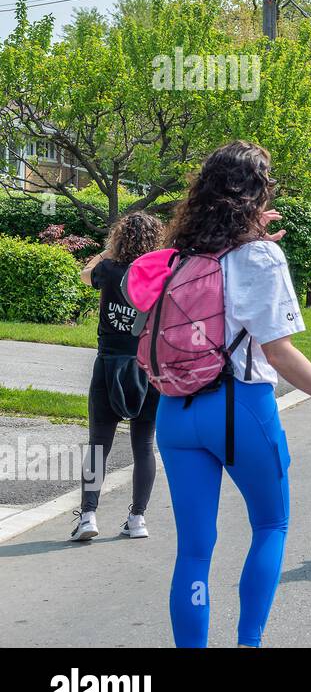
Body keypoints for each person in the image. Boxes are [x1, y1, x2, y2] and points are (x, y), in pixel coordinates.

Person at [155, 141, 311, 648]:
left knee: (193, 550)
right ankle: (248, 642)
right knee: (271, 524)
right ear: (257, 194)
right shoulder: (260, 256)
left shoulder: (178, 256)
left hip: (174, 409)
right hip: (239, 408)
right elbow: (280, 355)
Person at [71, 211, 165, 542]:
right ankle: (137, 518)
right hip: (146, 368)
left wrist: (108, 250)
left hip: (109, 365)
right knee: (144, 445)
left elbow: (85, 275)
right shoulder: (159, 277)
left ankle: (88, 515)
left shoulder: (108, 271)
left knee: (99, 445)